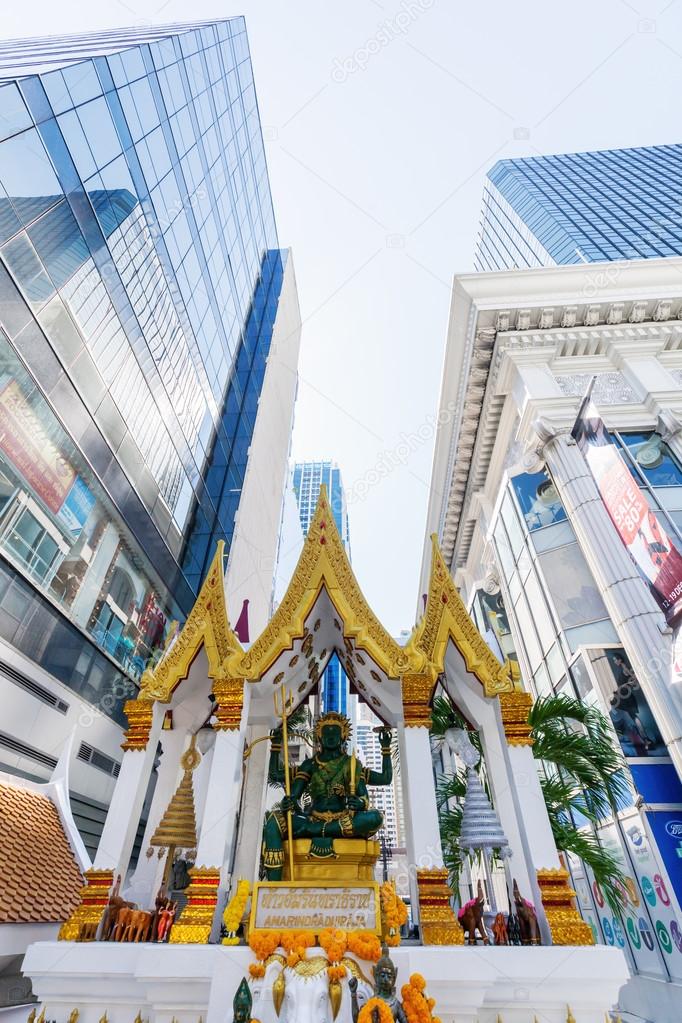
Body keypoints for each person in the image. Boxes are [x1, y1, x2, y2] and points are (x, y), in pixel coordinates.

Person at [261, 711, 392, 879]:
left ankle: (319, 830)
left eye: (335, 733)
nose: (331, 737)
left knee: (375, 817)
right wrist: (275, 746)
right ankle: (273, 888)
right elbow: (278, 777)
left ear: (344, 736)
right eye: (327, 733)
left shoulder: (351, 764)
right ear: (319, 737)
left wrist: (359, 803)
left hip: (340, 820)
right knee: (274, 821)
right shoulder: (310, 765)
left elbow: (372, 790)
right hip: (313, 819)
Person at [349, 946, 407, 1022]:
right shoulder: (372, 1002)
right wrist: (353, 994)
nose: (386, 979)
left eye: (389, 976)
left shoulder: (395, 1004)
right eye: (382, 975)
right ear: (376, 977)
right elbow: (357, 1020)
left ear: (394, 979)